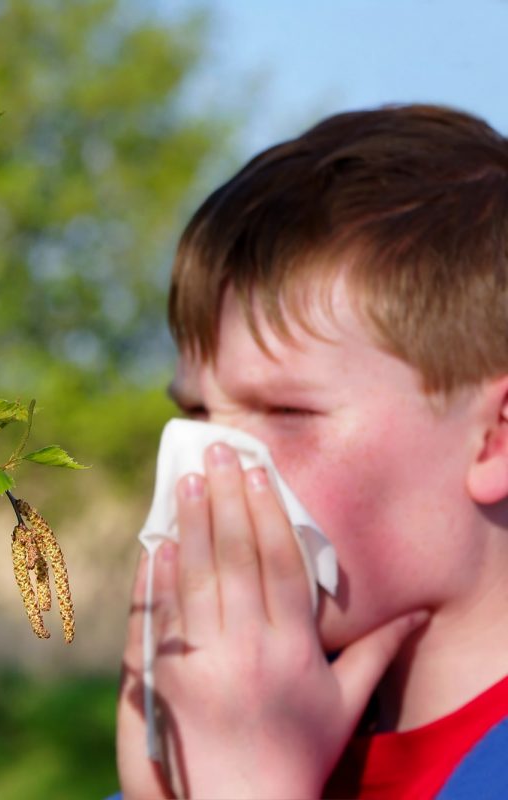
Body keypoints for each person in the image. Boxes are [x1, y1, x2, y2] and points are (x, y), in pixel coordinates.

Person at [114, 105, 508, 798]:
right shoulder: (225, 744)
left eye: (287, 413)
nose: (203, 467)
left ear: (497, 434)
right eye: (196, 412)